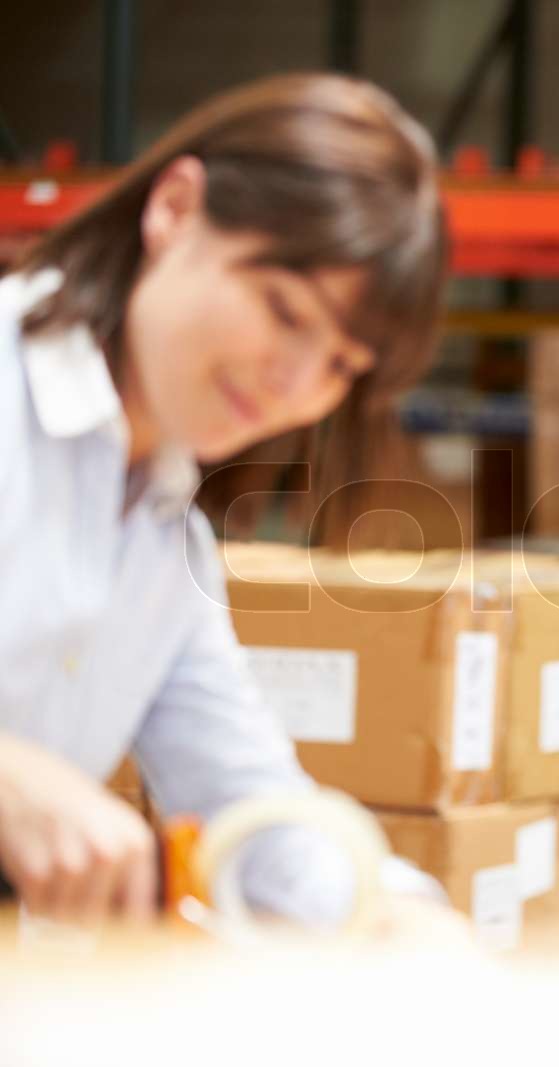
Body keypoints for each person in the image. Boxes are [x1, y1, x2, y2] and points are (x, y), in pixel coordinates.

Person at [0, 73, 448, 927]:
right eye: (282, 309)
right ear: (174, 209)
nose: (296, 382)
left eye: (341, 367)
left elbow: (253, 809)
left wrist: (409, 929)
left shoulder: (165, 544)